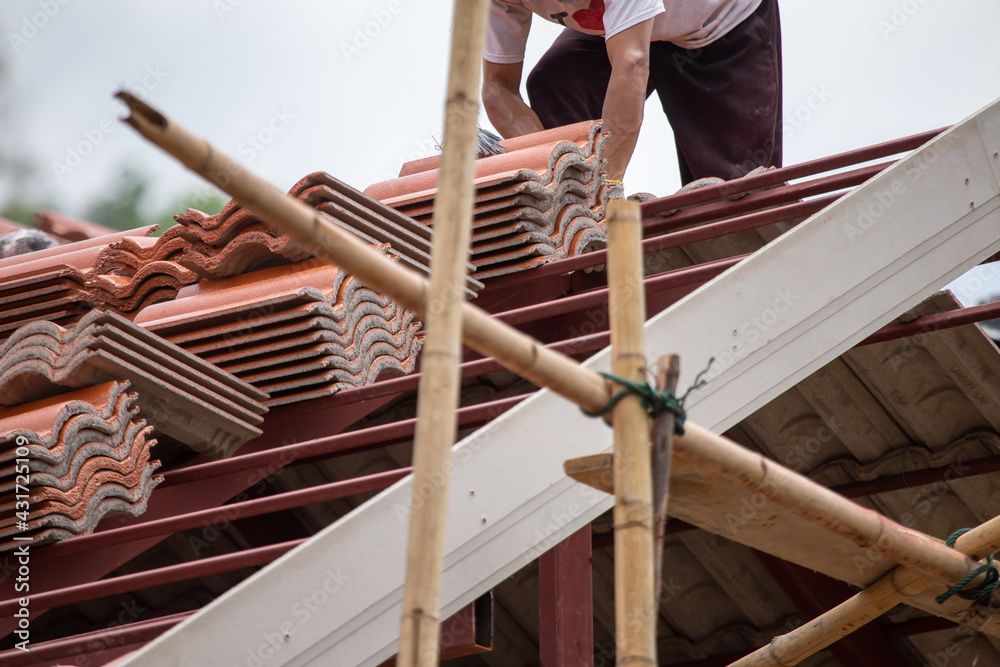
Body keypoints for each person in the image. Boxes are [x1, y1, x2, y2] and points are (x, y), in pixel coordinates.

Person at [481, 0, 782, 190]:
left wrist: (605, 186)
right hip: (622, 26)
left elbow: (632, 62)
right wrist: (551, 169)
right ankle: (570, 192)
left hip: (718, 21)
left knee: (734, 190)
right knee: (558, 83)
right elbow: (498, 87)